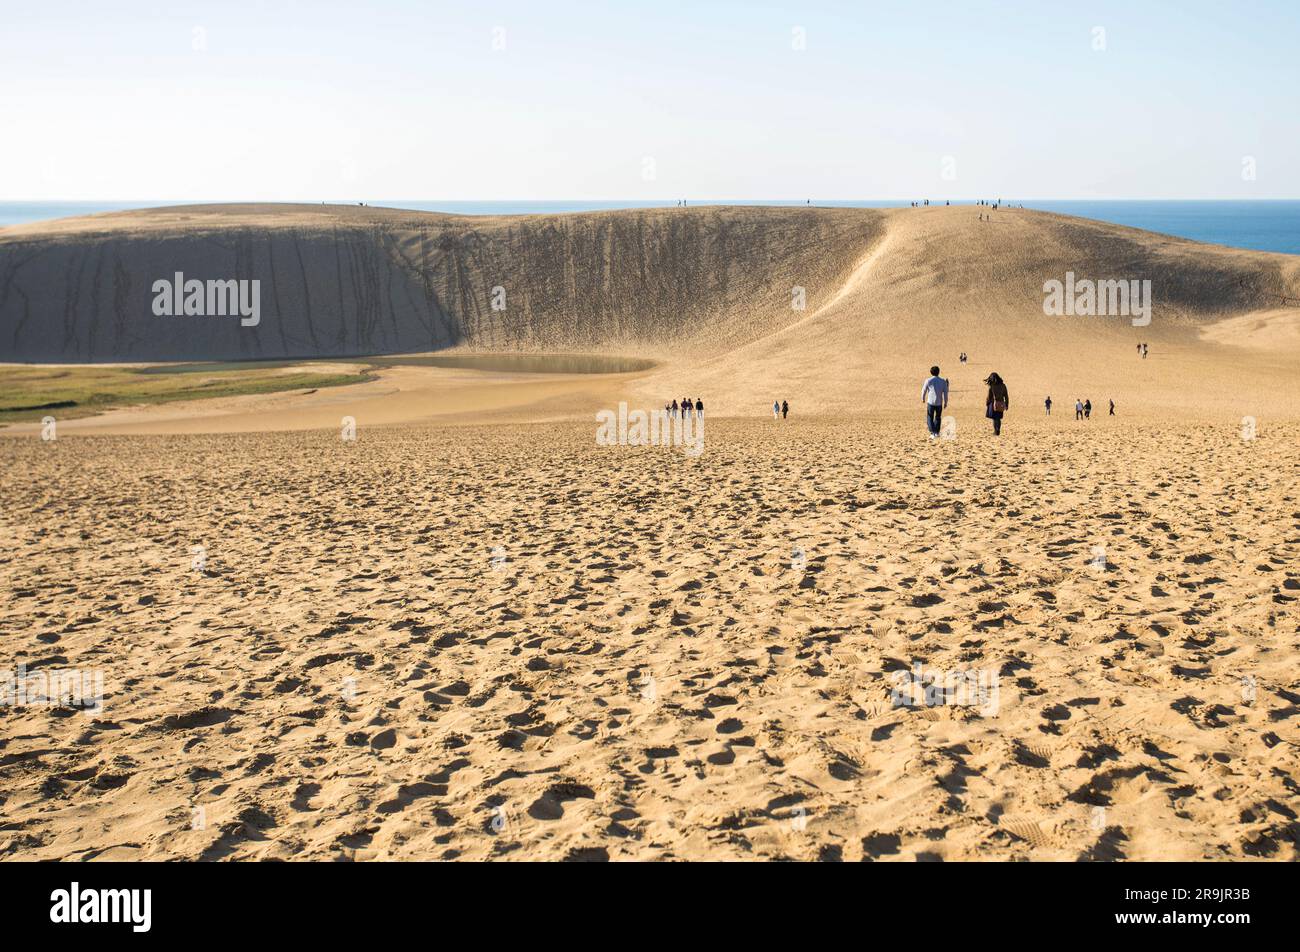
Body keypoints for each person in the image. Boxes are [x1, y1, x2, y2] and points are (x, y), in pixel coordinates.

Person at [922, 365, 948, 439]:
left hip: (930, 402)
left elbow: (924, 390)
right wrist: (946, 402)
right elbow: (945, 393)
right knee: (938, 417)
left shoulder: (928, 380)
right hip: (939, 402)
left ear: (931, 372)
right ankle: (936, 432)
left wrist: (923, 398)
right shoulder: (943, 381)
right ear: (938, 372)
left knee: (930, 417)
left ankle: (933, 432)